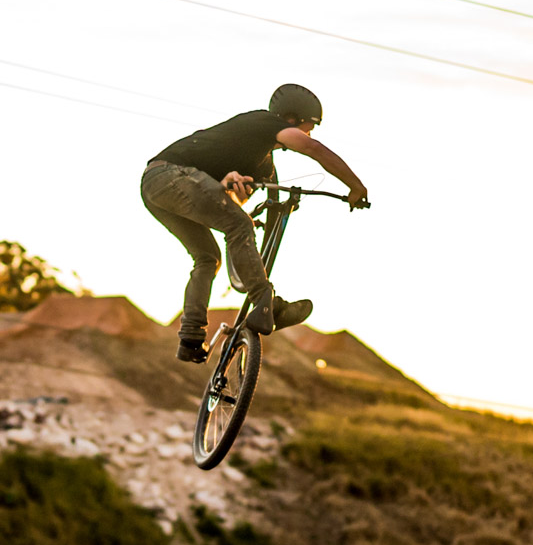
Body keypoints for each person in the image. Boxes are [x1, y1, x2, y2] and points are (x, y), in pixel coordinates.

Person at [141, 83, 369, 363]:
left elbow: (256, 202)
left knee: (207, 258)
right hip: (168, 174)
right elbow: (313, 149)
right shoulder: (264, 122)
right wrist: (355, 186)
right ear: (292, 119)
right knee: (239, 225)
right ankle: (266, 303)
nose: (309, 133)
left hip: (157, 190)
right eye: (309, 125)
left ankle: (190, 337)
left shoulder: (263, 163)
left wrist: (251, 202)